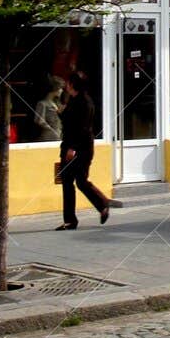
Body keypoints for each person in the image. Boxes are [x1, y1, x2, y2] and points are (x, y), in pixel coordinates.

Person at [57, 71, 111, 230]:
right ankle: (70, 220)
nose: (66, 85)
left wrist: (73, 147)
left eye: (68, 83)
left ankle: (102, 204)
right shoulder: (72, 100)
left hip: (81, 149)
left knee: (80, 181)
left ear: (73, 85)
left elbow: (83, 128)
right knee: (67, 181)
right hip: (68, 145)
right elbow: (68, 122)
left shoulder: (85, 103)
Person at [33, 77, 63, 142]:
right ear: (55, 88)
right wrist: (51, 128)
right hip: (48, 137)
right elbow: (39, 120)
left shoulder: (58, 104)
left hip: (59, 136)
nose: (61, 90)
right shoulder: (42, 104)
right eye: (60, 88)